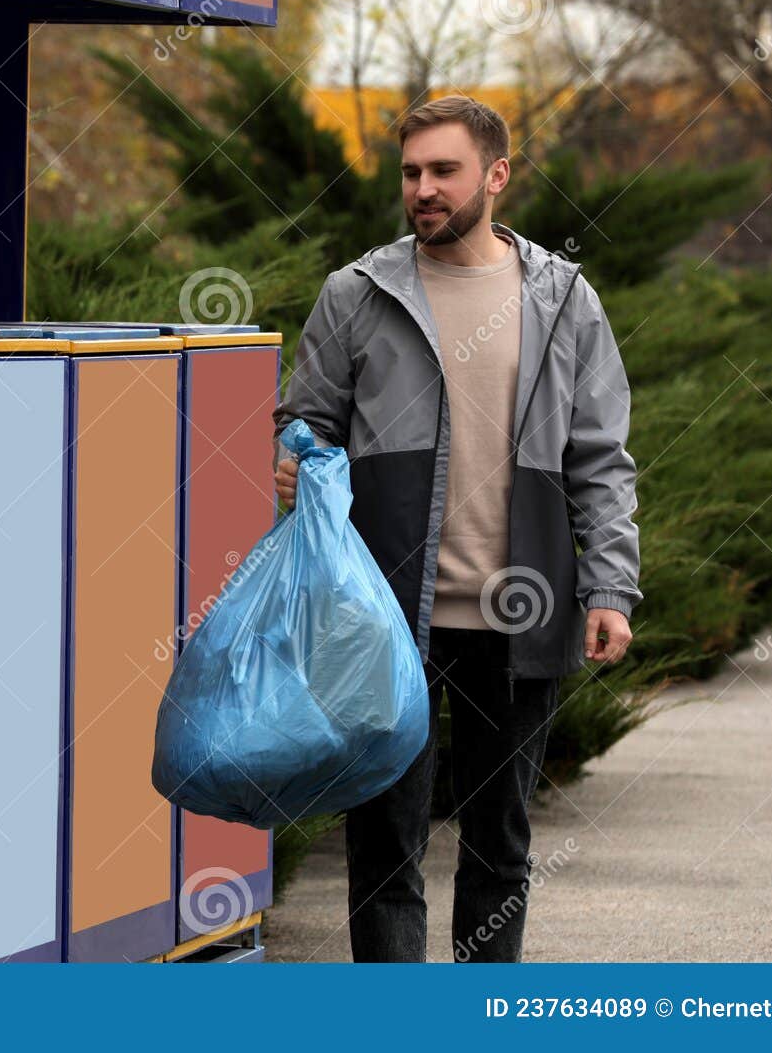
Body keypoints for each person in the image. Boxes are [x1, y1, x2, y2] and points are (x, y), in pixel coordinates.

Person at [271, 95, 642, 962]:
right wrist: (299, 462)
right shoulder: (357, 293)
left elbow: (601, 456)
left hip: (523, 609)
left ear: (497, 176)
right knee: (384, 847)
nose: (423, 190)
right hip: (386, 615)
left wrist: (611, 586)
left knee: (499, 847)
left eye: (444, 171)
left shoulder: (563, 299)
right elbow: (306, 421)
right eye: (411, 173)